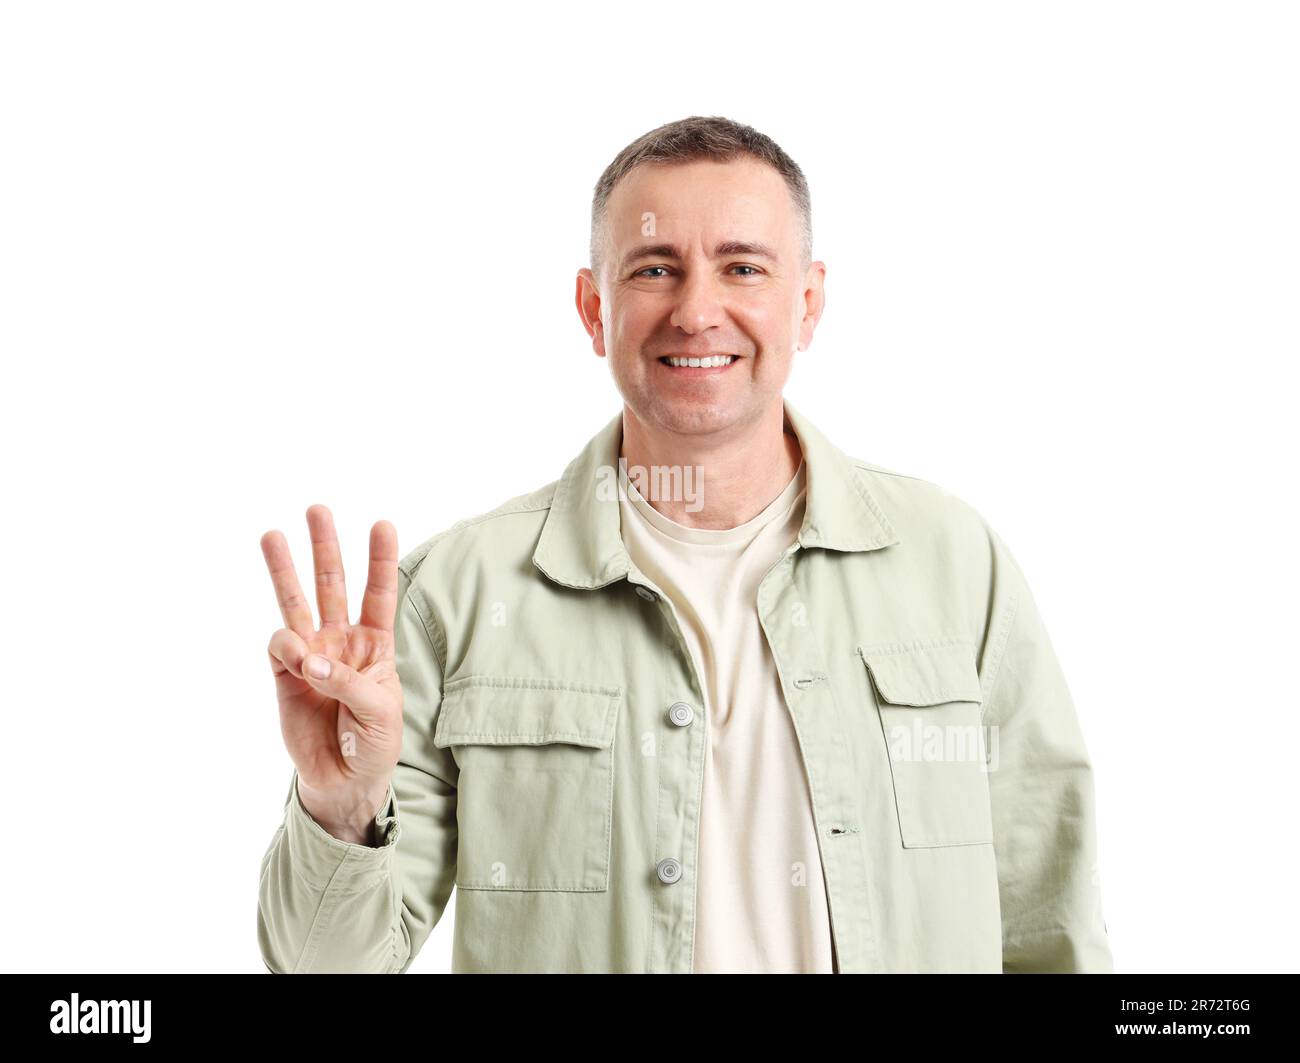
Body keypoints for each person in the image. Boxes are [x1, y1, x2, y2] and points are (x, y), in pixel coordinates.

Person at [256, 115, 1113, 974]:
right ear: (595, 310)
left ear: (807, 302)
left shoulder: (955, 565)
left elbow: (1052, 918)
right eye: (655, 269)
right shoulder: (460, 596)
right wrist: (340, 807)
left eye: (743, 267)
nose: (698, 311)